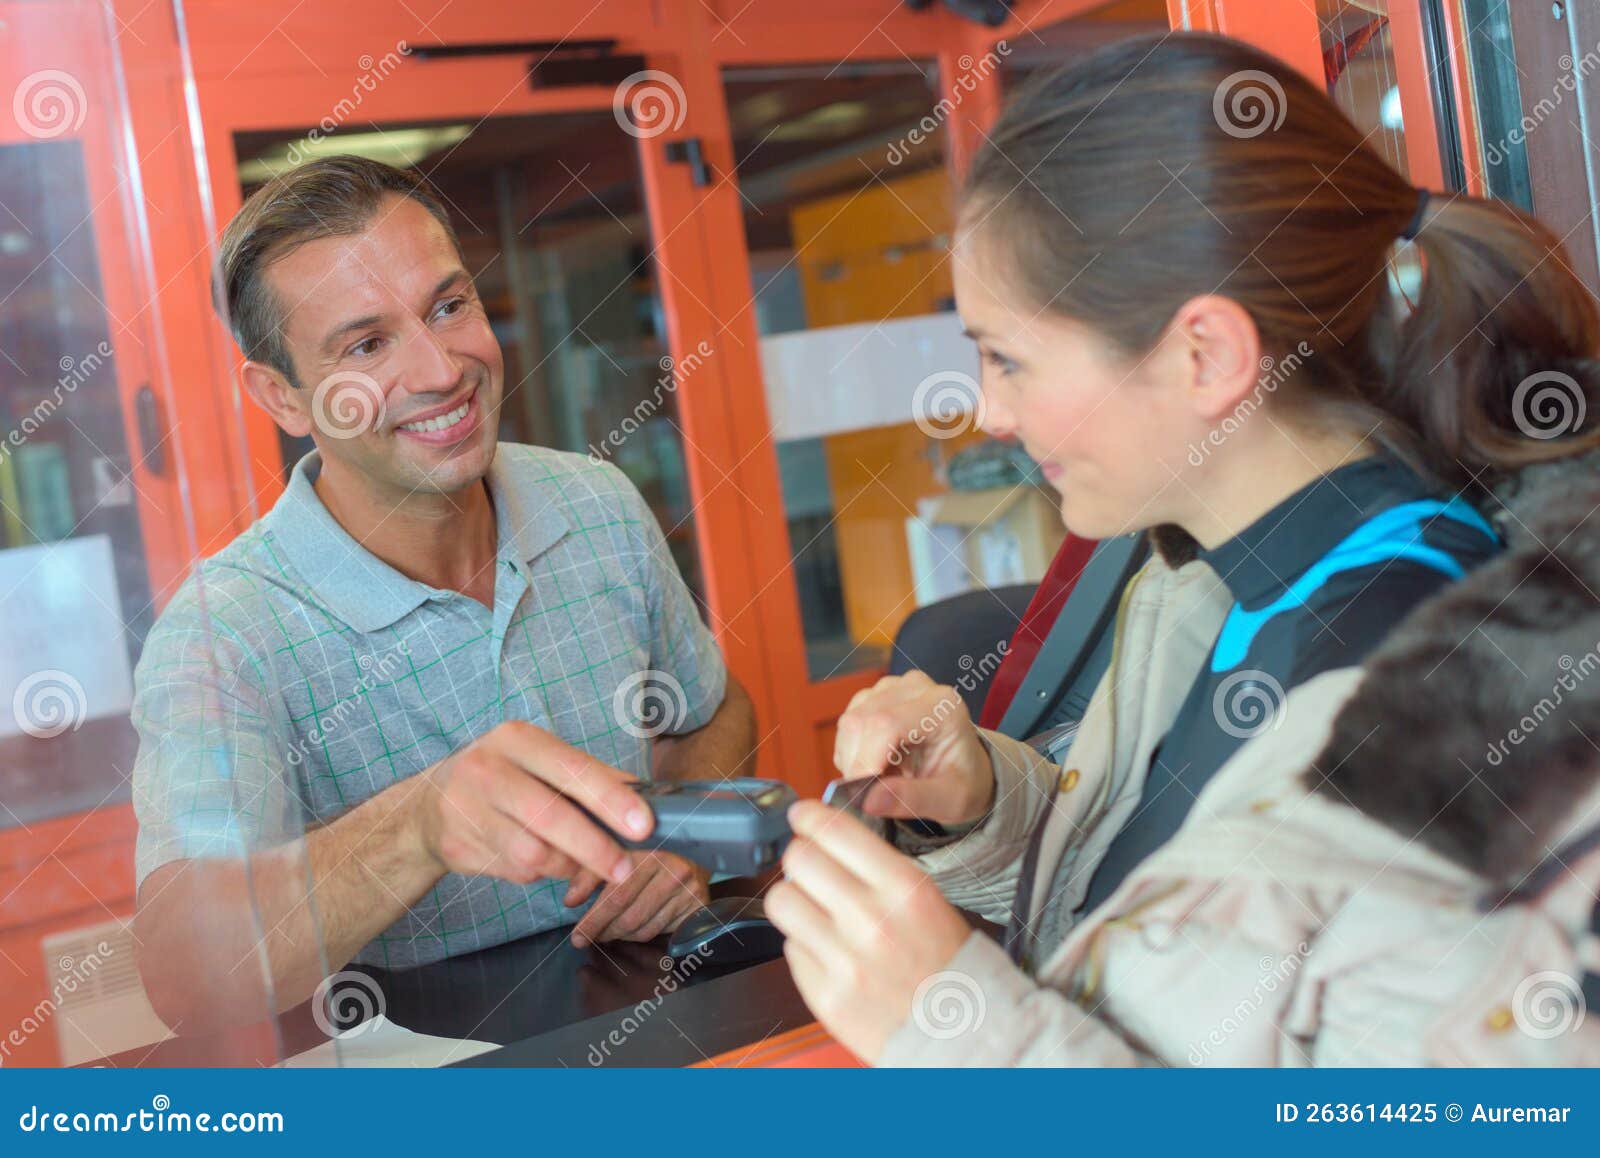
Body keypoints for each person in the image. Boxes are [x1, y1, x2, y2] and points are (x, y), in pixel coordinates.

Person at [766, 33, 1600, 1065]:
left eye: (1008, 359)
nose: (984, 413)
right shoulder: (1205, 583)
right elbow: (1204, 900)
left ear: (1205, 355)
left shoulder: (1464, 736)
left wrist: (958, 1031)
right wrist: (985, 806)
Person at [131, 156, 755, 1029]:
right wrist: (421, 825)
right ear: (281, 396)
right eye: (367, 344)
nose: (439, 370)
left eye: (448, 306)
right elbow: (185, 973)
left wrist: (683, 835)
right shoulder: (223, 633)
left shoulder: (597, 502)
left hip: (665, 1021)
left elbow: (713, 715)